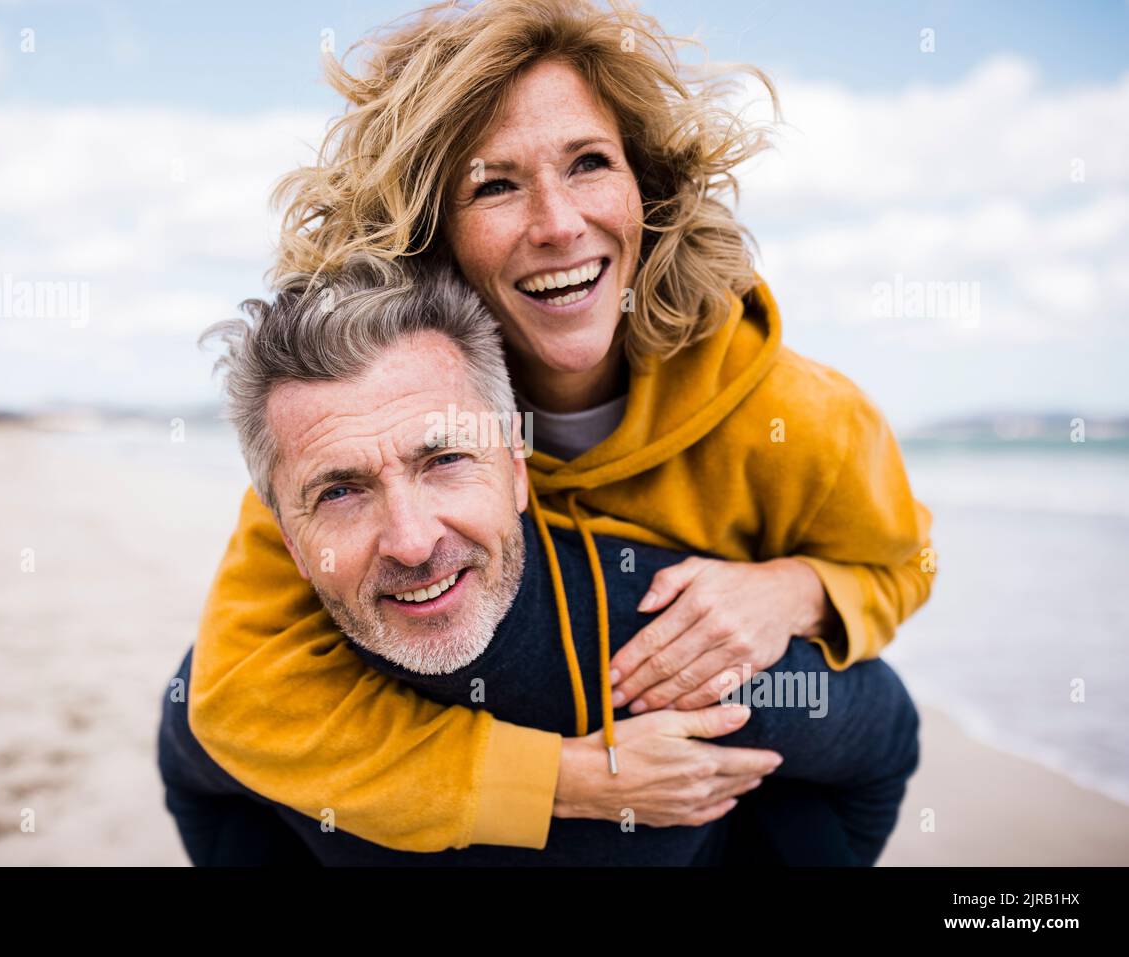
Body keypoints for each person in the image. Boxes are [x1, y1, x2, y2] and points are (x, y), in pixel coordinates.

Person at [187, 0, 936, 853]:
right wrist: (563, 780)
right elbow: (241, 689)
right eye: (495, 184)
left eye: (589, 164)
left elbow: (902, 562)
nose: (557, 225)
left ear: (646, 190)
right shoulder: (374, 430)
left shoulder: (796, 413)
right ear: (433, 234)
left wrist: (796, 588)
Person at [159, 257, 920, 865]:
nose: (413, 541)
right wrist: (561, 780)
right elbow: (193, 761)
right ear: (286, 537)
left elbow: (882, 738)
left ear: (519, 466)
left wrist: (801, 588)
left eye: (445, 458)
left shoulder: (661, 648)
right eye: (340, 492)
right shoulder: (273, 690)